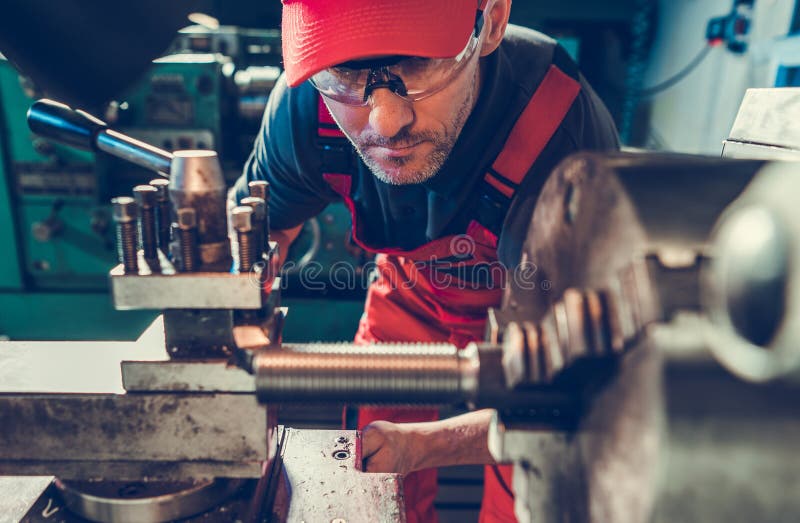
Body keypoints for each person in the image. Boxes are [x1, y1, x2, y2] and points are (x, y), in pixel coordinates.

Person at [233, 0, 619, 520]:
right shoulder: (306, 106)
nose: (386, 121)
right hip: (409, 295)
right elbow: (258, 244)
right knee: (369, 473)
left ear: (492, 21)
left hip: (536, 333)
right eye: (346, 72)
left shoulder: (560, 138)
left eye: (419, 63)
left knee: (533, 466)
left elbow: (570, 389)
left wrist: (424, 446)